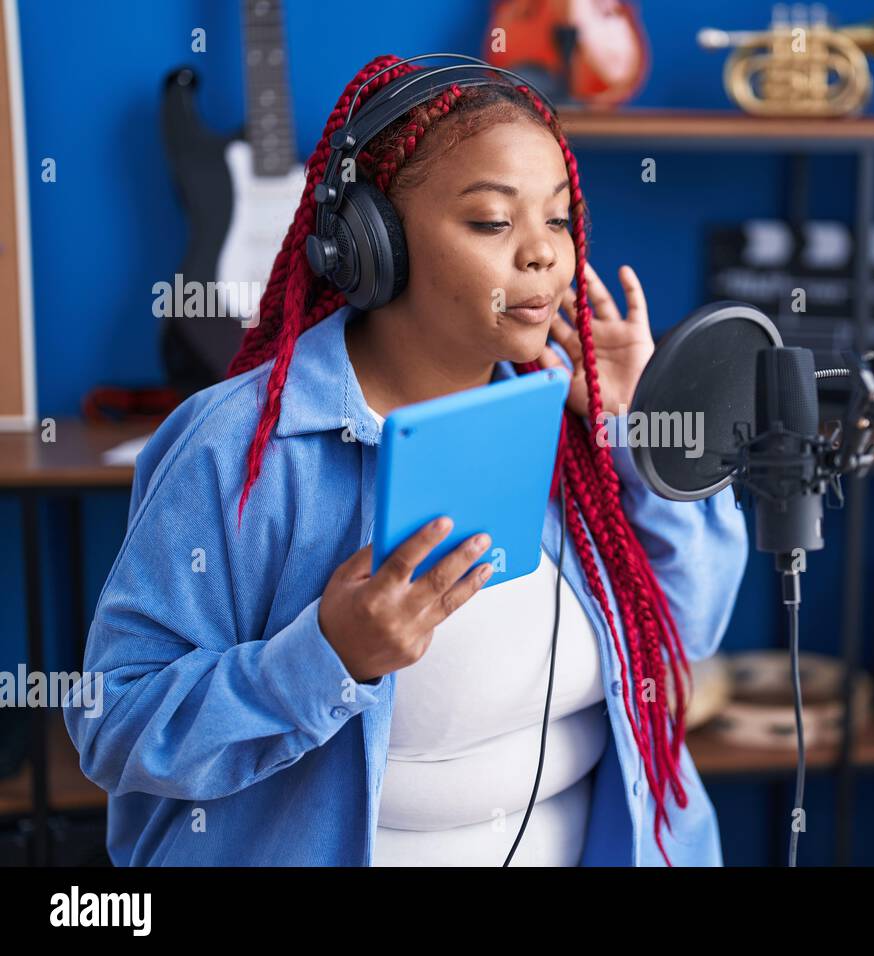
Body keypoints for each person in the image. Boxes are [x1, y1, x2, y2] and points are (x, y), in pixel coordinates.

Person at [62, 55, 748, 866]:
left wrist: (637, 432)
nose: (542, 256)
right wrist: (323, 656)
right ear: (371, 243)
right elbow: (116, 726)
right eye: (493, 222)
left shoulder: (571, 412)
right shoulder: (237, 447)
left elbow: (689, 629)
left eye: (559, 219)